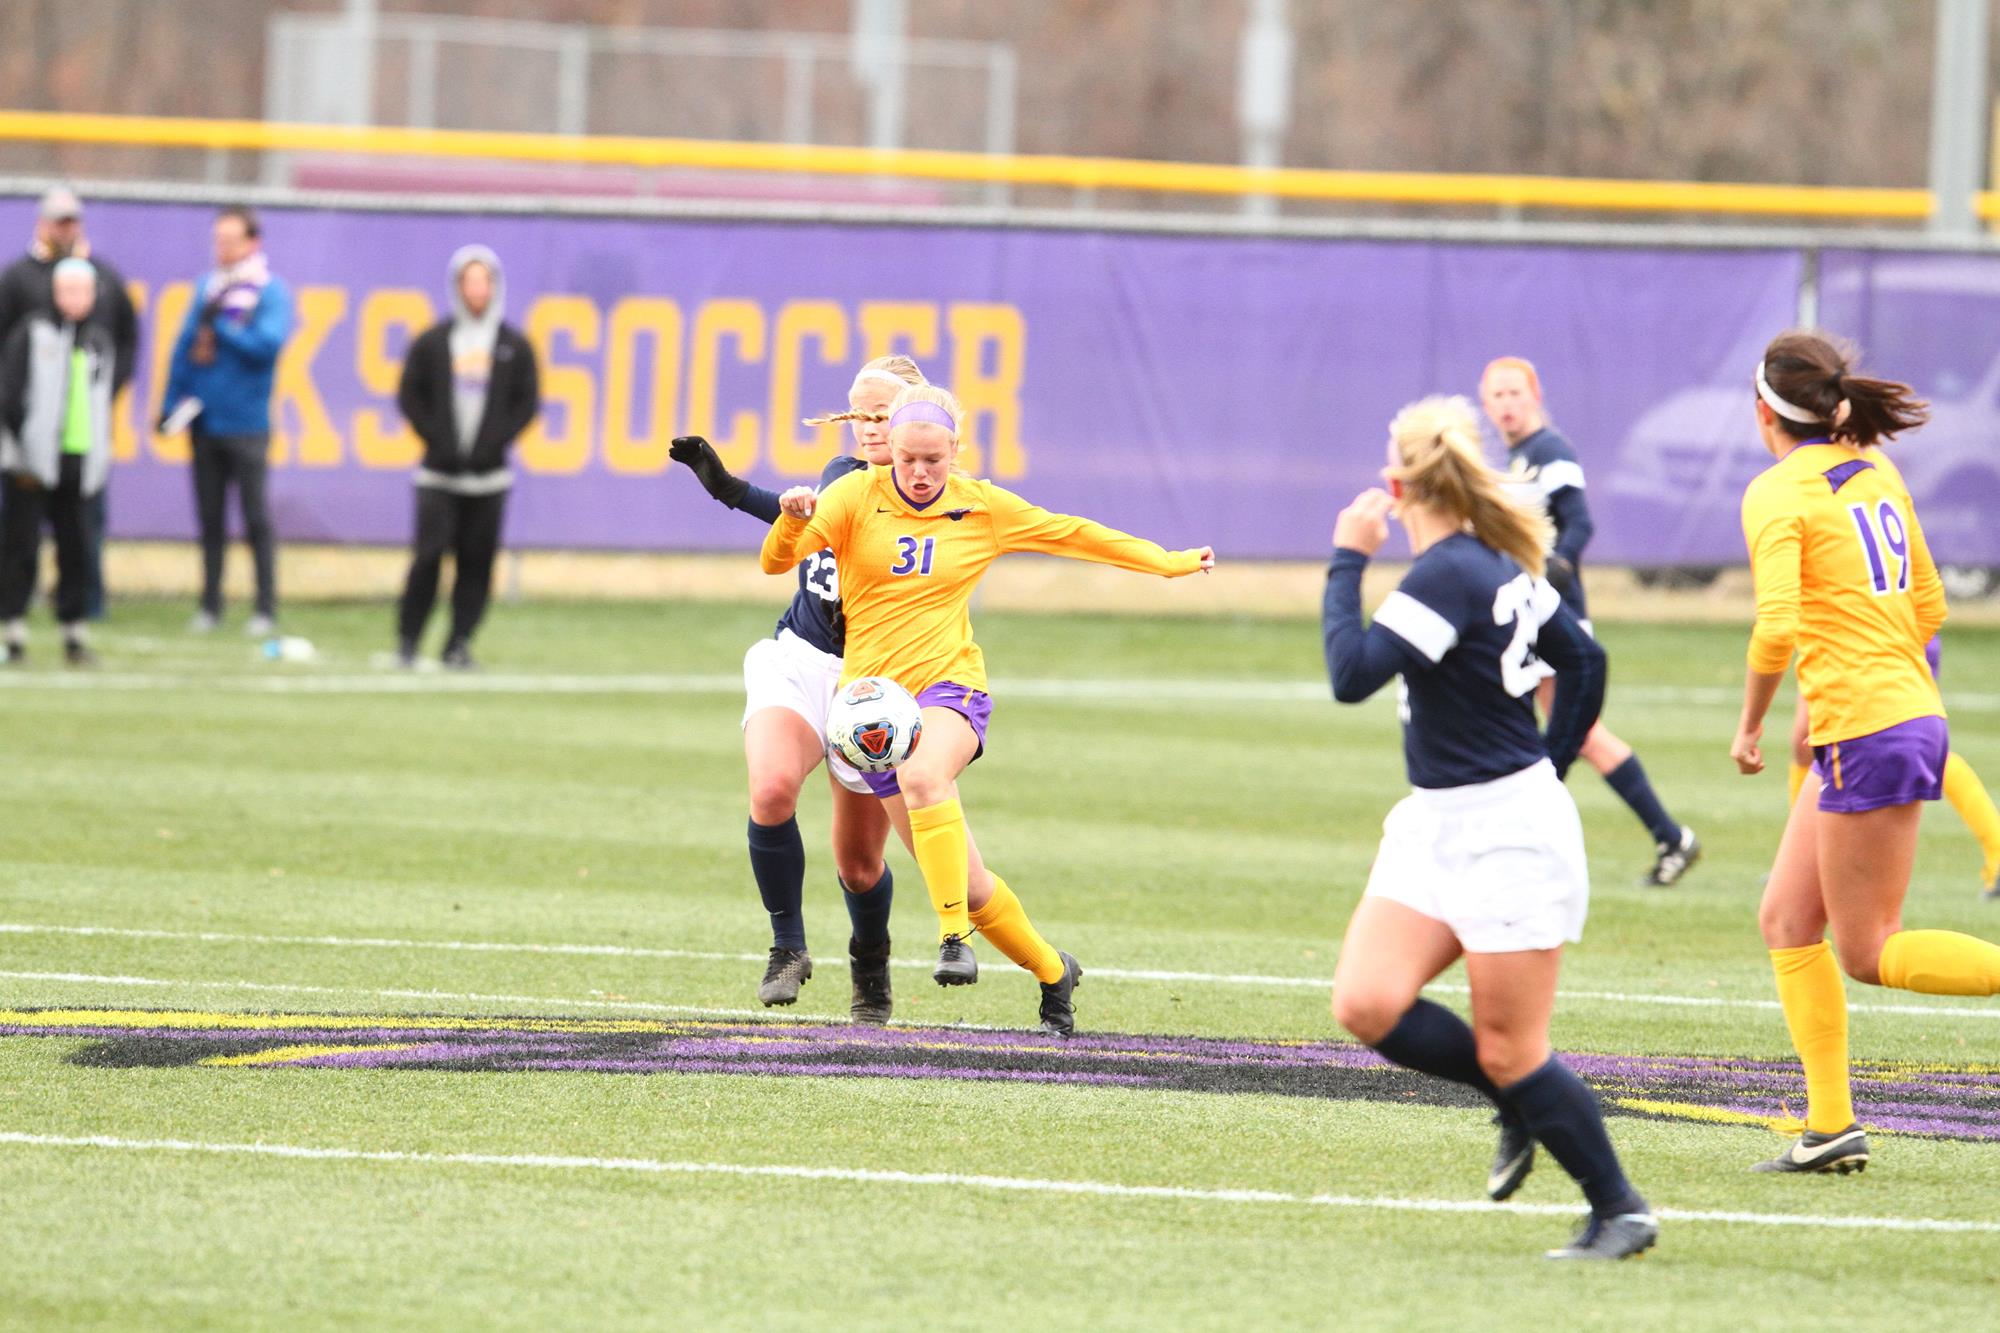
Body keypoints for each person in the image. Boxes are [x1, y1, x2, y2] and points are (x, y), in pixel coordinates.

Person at [760, 382, 1213, 1034]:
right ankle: (1054, 970)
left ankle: (952, 938)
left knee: (925, 775)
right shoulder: (855, 495)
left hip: (950, 688)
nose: (919, 472)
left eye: (933, 460)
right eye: (907, 459)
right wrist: (792, 518)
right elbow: (775, 561)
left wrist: (1167, 563)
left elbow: (1073, 534)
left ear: (955, 452)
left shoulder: (982, 506)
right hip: (875, 712)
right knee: (972, 886)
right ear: (891, 452)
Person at [1325, 395, 1656, 1263]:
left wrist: (1346, 558)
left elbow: (1350, 675)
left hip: (1508, 833)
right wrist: (1554, 760)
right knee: (1366, 1002)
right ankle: (1519, 1101)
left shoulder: (1451, 573)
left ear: (1399, 485)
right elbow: (1583, 657)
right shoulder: (1485, 563)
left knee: (1515, 1048)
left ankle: (1619, 1207)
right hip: (1436, 821)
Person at [1733, 330, 2000, 1174]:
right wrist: (1858, 683)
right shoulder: (1874, 467)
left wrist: (1752, 724)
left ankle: (1832, 1122)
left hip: (1868, 727)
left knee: (1869, 949)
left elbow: (1776, 625)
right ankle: (1831, 1125)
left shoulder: (1777, 491)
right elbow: (1930, 603)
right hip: (1888, 714)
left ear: (1764, 411)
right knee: (1786, 918)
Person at [667, 354, 923, 1020]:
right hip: (801, 658)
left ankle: (871, 960)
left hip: (873, 683)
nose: (869, 427)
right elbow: (798, 526)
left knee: (859, 866)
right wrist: (725, 486)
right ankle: (788, 945)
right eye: (860, 414)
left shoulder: (938, 502)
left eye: (883, 414)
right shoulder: (841, 473)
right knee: (772, 789)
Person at [1481, 357, 1701, 887]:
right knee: (1574, 735)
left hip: (1557, 617)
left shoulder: (1549, 450)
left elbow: (1578, 522)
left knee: (1571, 734)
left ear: (1535, 394)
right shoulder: (1516, 458)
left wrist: (1556, 568)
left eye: (1514, 392)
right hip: (1532, 617)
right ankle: (1669, 836)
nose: (1507, 404)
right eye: (1497, 396)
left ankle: (1531, 841)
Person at [393, 245, 541, 670]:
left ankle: (458, 643)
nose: (476, 290)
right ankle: (408, 640)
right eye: (468, 282)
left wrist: (492, 444)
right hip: (438, 475)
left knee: (476, 564)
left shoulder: (514, 345)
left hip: (489, 478)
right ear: (456, 287)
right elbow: (410, 396)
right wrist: (438, 441)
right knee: (428, 558)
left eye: (483, 281)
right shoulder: (433, 342)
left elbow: (526, 403)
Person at [0, 185, 140, 623]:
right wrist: (17, 420)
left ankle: (81, 616)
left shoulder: (104, 279)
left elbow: (126, 342)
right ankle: (13, 620)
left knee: (80, 536)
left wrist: (104, 397)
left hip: (81, 439)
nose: (66, 229)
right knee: (20, 537)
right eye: (59, 221)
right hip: (31, 439)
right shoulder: (19, 280)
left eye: (72, 221)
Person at [160, 205, 294, 638]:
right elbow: (185, 346)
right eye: (219, 240)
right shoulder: (208, 288)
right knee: (210, 520)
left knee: (256, 519)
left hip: (248, 425)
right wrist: (170, 402)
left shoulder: (269, 291)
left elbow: (267, 346)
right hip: (205, 422)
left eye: (232, 240)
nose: (223, 248)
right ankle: (210, 605)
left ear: (253, 243)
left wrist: (225, 328)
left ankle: (265, 607)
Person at [1786, 640, 2000, 899]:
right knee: (1809, 744)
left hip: (1866, 644)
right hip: (1871, 640)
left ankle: (1803, 863)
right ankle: (1802, 860)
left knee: (1904, 744)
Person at [0, 258, 115, 665]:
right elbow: (10, 393)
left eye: (82, 290)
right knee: (21, 548)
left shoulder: (99, 339)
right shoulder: (32, 332)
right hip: (31, 462)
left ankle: (74, 633)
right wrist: (25, 445)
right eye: (67, 290)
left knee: (77, 549)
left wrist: (98, 454)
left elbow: (103, 398)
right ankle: (14, 631)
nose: (75, 298)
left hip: (79, 460)